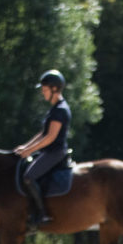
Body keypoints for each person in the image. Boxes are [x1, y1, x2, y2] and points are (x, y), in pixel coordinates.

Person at [13, 69, 72, 229]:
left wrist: (30, 151)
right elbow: (42, 133)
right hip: (48, 151)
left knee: (28, 177)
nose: (42, 92)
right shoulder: (54, 109)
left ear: (54, 89)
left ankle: (42, 213)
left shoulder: (60, 110)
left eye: (44, 89)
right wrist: (26, 146)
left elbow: (50, 137)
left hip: (55, 152)